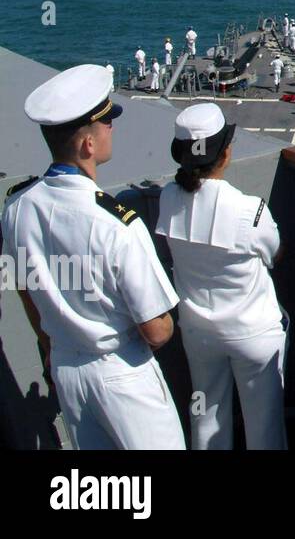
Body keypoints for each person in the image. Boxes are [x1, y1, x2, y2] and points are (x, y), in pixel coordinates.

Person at [1, 64, 184, 449]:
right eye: (107, 122)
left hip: (66, 370)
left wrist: (51, 347)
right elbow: (156, 330)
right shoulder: (117, 224)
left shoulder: (16, 208)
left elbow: (25, 289)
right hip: (123, 374)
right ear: (88, 144)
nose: (111, 128)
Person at [157, 104, 288, 450]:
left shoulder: (168, 199)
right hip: (253, 335)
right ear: (225, 153)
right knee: (264, 427)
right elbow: (275, 253)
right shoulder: (251, 210)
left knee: (205, 415)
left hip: (199, 334)